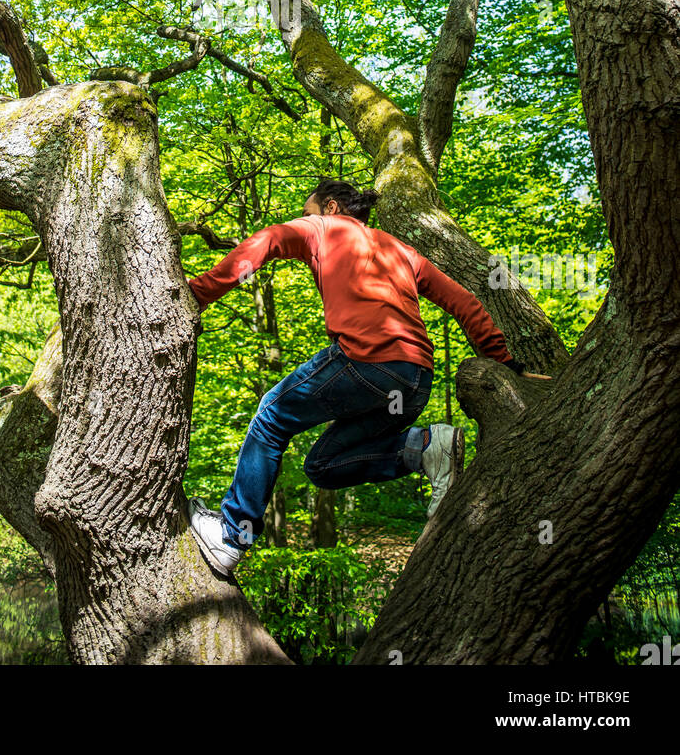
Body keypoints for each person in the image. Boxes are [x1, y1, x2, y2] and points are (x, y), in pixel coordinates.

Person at [186, 178, 528, 574]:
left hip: (368, 363)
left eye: (307, 211)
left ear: (330, 208)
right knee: (323, 467)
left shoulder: (322, 228)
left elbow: (264, 243)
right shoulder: (402, 249)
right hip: (415, 380)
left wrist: (199, 293)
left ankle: (231, 537)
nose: (303, 219)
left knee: (271, 417)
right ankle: (427, 446)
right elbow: (465, 302)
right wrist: (503, 362)